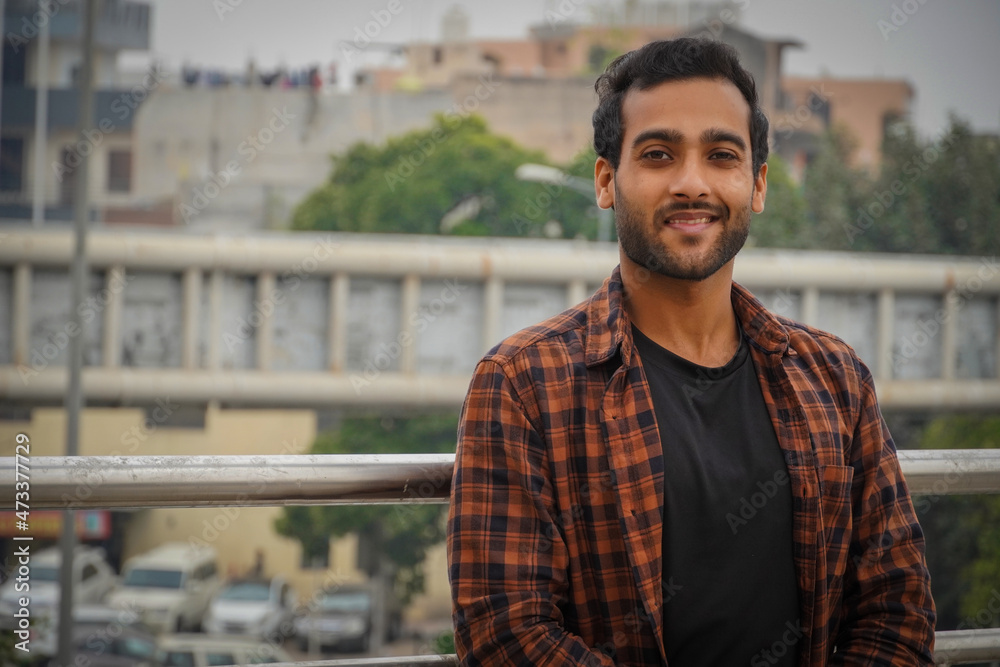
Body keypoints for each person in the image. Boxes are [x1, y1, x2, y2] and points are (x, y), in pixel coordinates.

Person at [446, 38, 935, 666]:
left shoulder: (835, 380)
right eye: (657, 154)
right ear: (606, 180)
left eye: (721, 155)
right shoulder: (523, 384)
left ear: (756, 184)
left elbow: (898, 614)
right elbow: (505, 636)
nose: (691, 183)